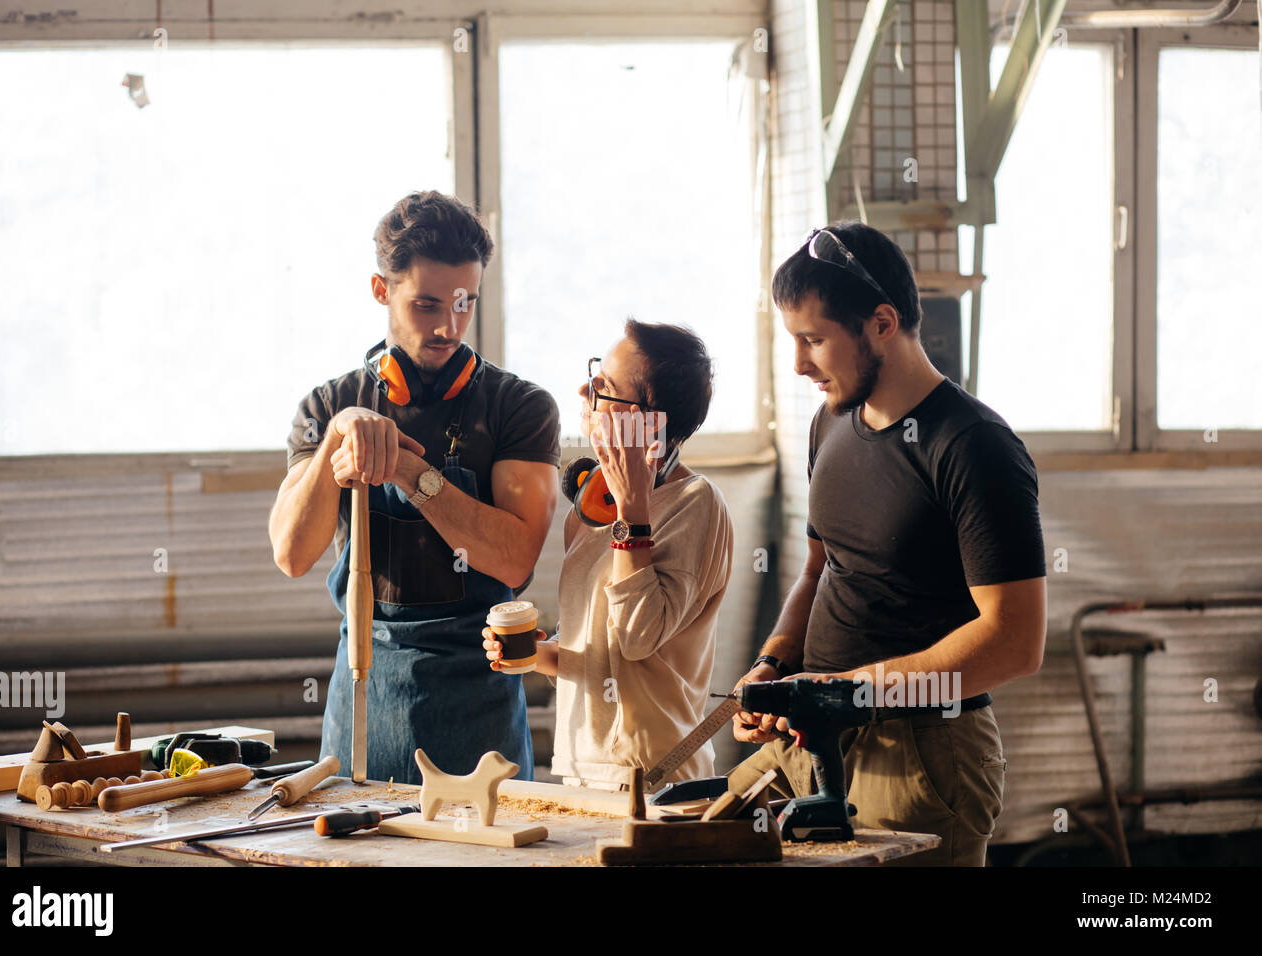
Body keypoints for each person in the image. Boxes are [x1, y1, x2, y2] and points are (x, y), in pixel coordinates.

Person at [728, 222, 1047, 865]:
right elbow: (820, 567)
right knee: (689, 835)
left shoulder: (972, 446)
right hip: (809, 739)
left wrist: (856, 692)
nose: (798, 364)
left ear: (880, 322)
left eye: (813, 340)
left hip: (919, 756)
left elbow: (1015, 640)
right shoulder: (832, 421)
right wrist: (776, 667)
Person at [270, 190, 561, 785]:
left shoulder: (519, 408)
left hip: (480, 706)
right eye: (426, 304)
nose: (447, 326)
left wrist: (409, 471)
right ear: (382, 290)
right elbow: (292, 554)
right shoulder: (326, 405)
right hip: (365, 692)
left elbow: (513, 559)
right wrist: (335, 441)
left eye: (464, 303)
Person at [483, 320, 734, 789]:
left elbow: (640, 635)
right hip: (582, 767)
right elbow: (605, 657)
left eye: (604, 387)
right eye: (593, 374)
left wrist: (633, 508)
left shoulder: (696, 504)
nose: (585, 389)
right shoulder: (589, 509)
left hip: (654, 774)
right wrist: (536, 654)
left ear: (649, 421)